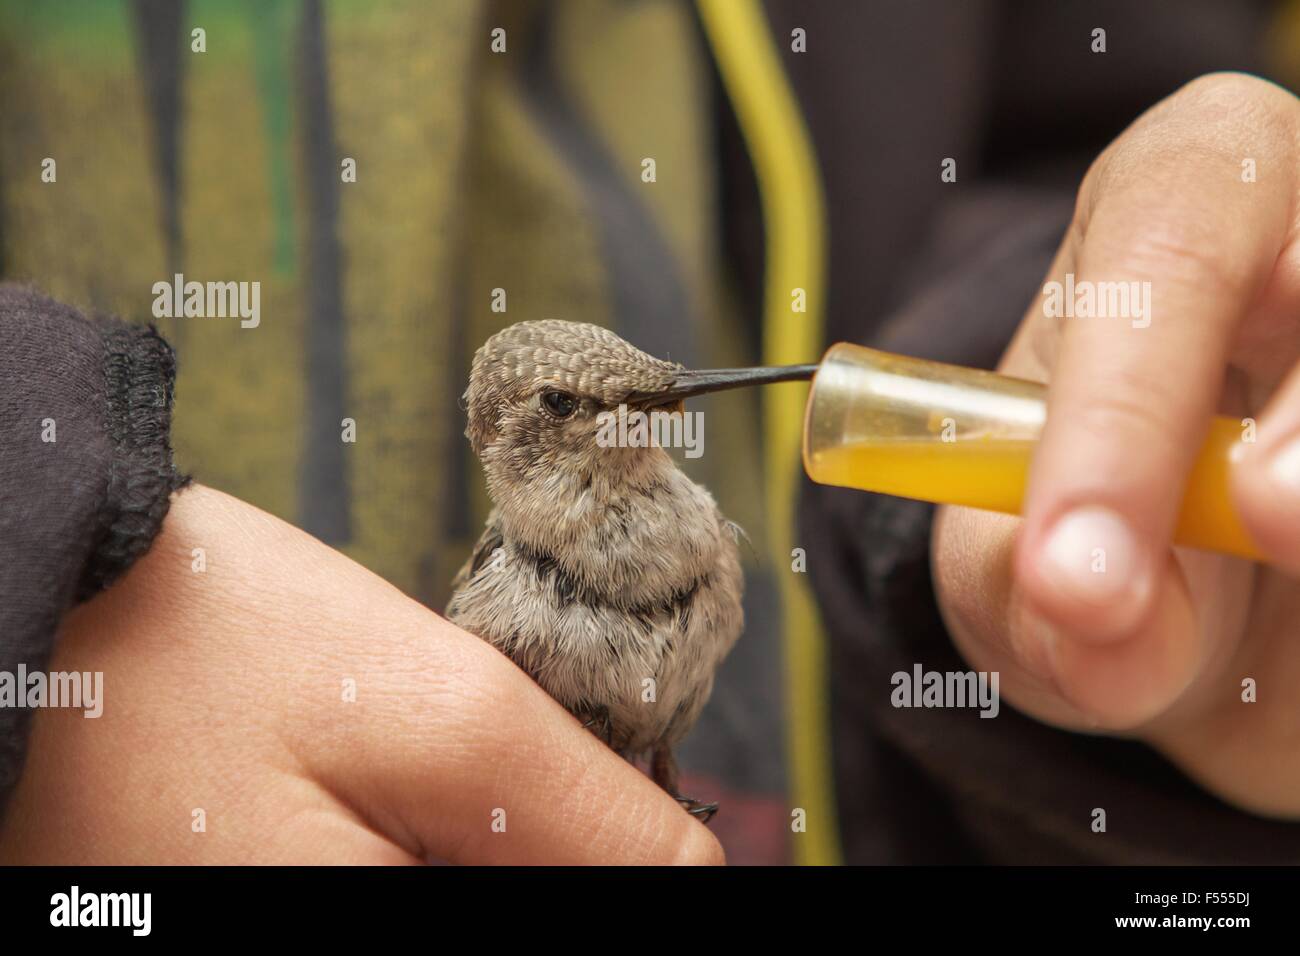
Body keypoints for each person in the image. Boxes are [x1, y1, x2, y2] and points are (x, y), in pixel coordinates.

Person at [3, 0, 1300, 864]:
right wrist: (42, 566)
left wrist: (1093, 360)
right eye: (576, 408)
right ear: (516, 441)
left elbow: (1031, 137)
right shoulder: (508, 588)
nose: (637, 413)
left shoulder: (703, 537)